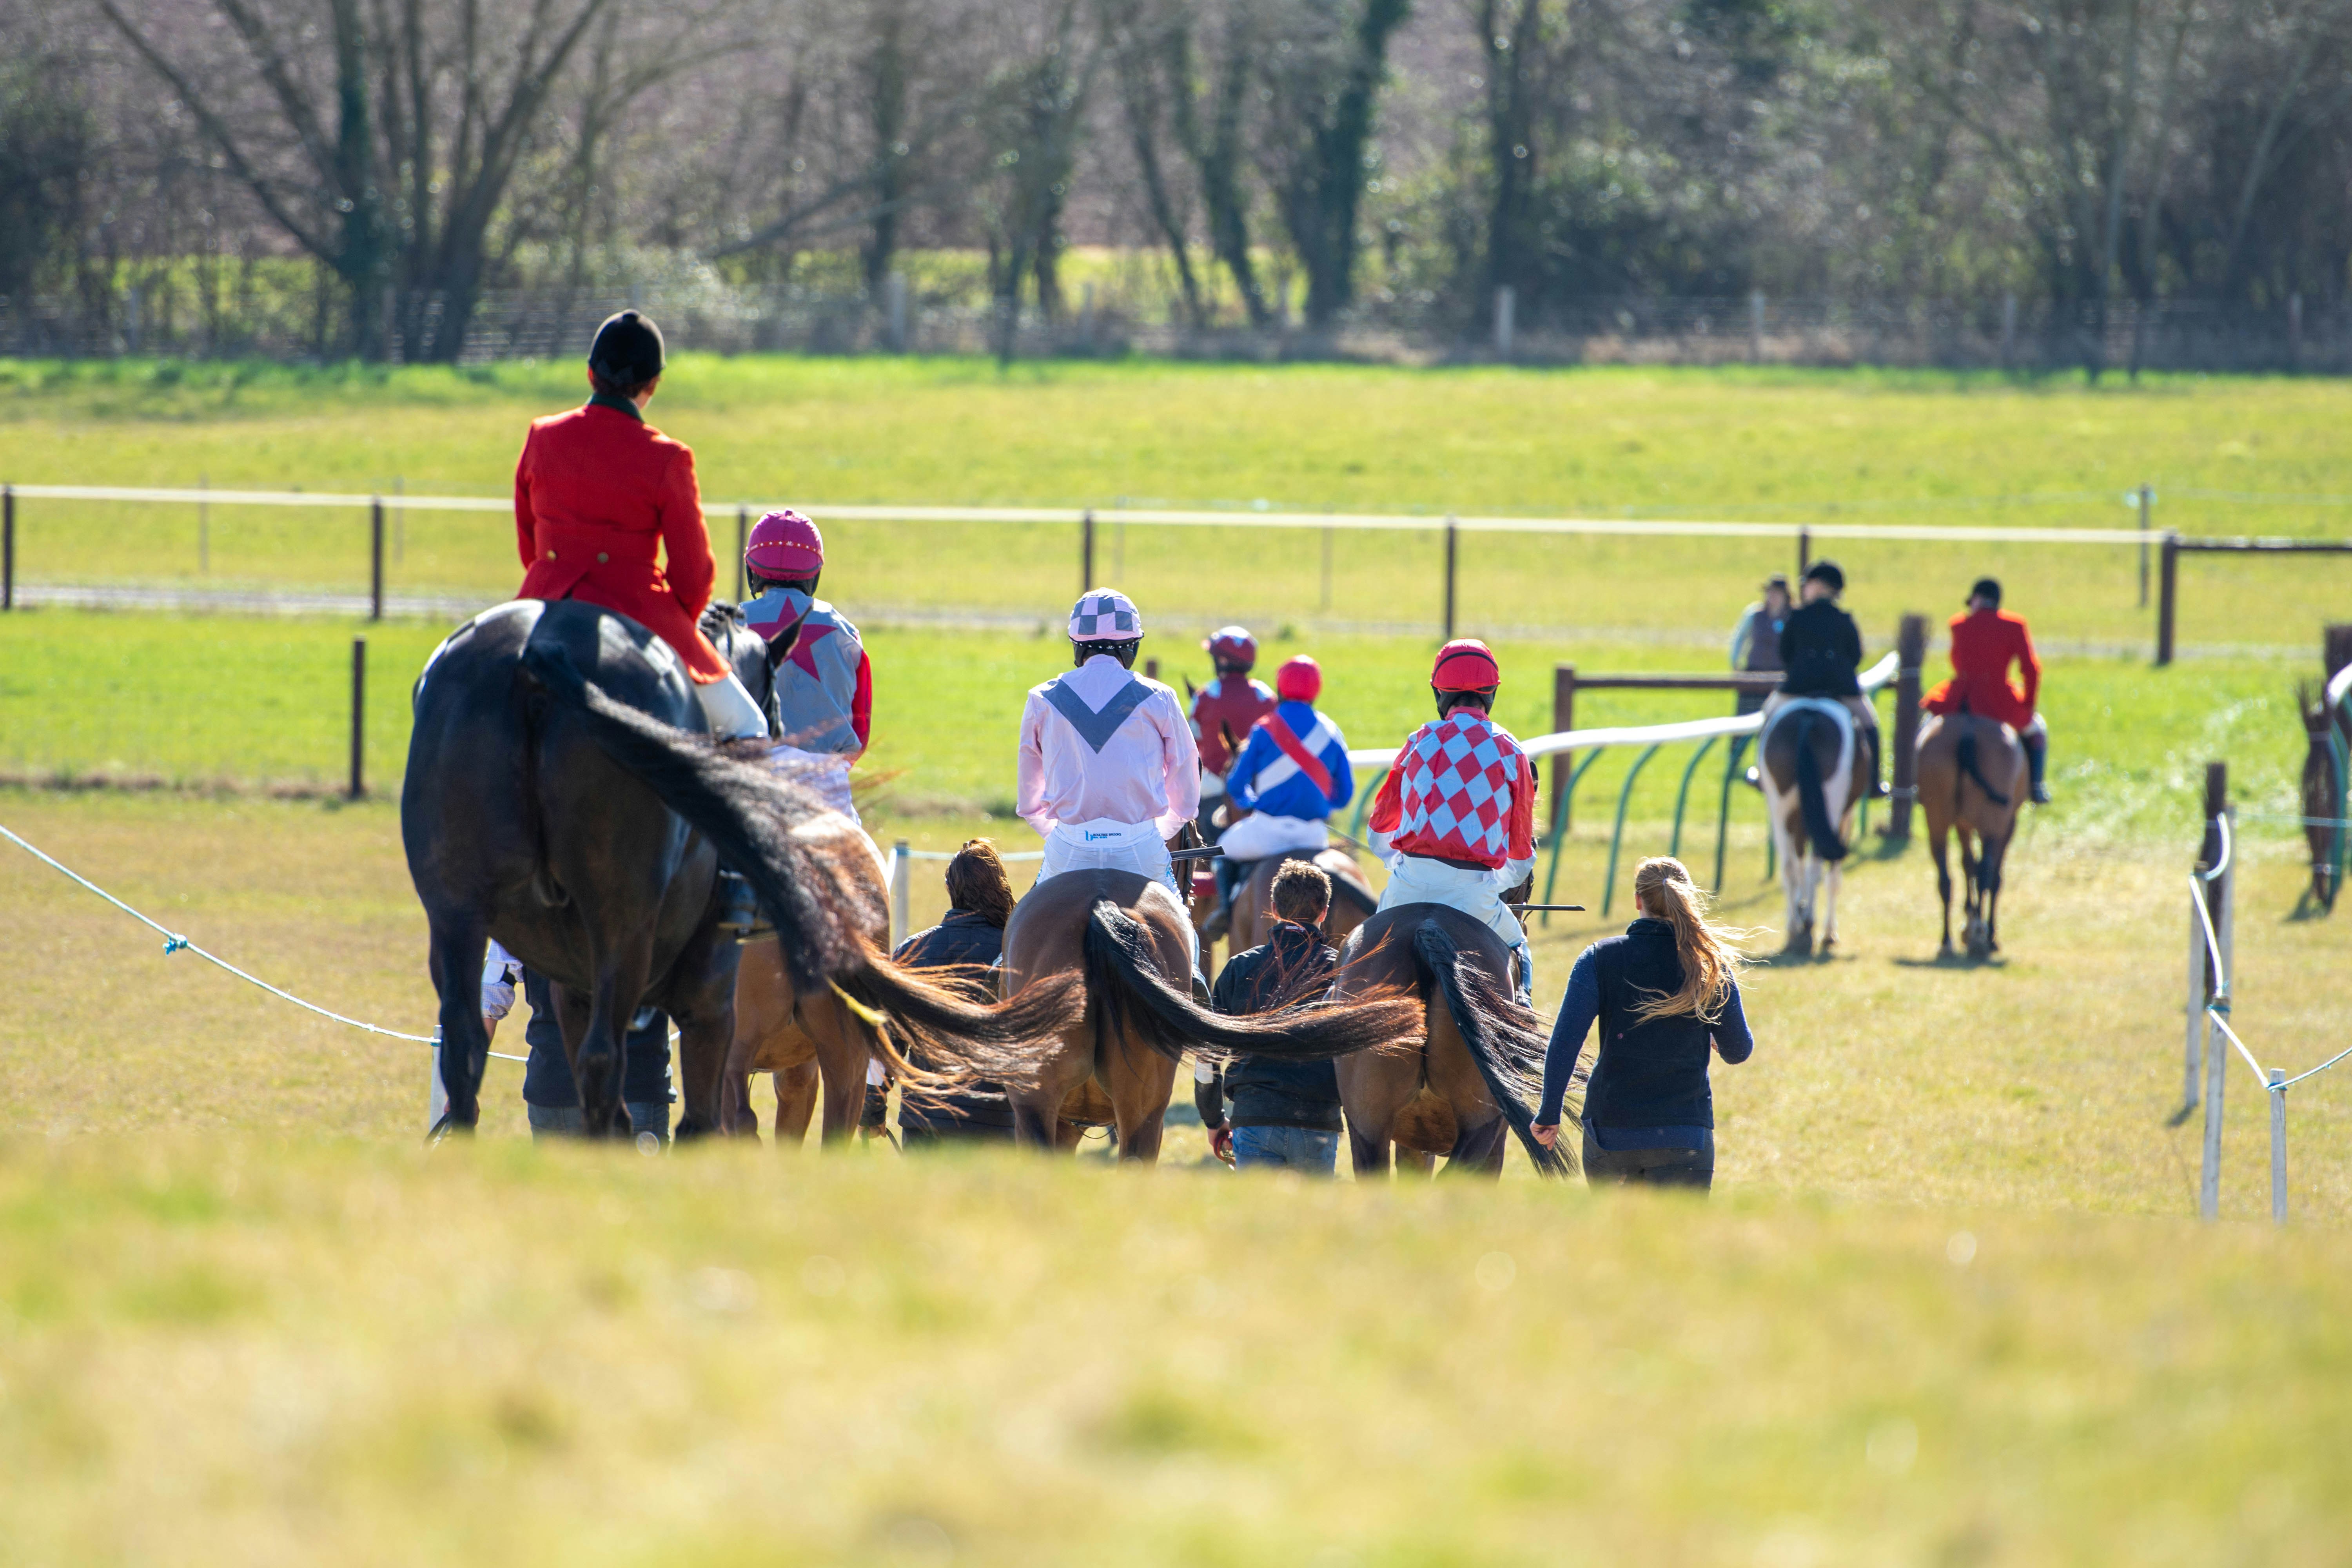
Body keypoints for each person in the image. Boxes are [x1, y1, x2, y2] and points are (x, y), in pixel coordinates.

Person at [512, 309, 773, 934]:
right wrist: (670, 627)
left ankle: (501, 946)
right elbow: (695, 572)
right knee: (749, 728)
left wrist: (555, 589)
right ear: (652, 384)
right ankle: (738, 887)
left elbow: (528, 536)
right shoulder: (666, 456)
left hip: (547, 604)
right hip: (639, 609)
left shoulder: (542, 436)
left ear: (590, 374)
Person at [1530, 857, 1754, 1191]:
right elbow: (1738, 1050)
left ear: (1638, 901)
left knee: (1615, 1242)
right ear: (1687, 900)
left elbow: (1565, 1041)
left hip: (1610, 1134)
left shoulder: (1599, 957)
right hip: (1685, 1136)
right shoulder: (1710, 963)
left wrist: (1549, 1113)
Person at [1017, 588, 1205, 978]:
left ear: (1077, 646)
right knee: (1185, 936)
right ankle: (1199, 989)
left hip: (1069, 847)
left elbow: (1029, 802)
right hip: (1140, 845)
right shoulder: (1162, 697)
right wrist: (1156, 832)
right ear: (1131, 648)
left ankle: (1001, 976)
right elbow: (1186, 798)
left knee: (1019, 938)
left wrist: (1063, 833)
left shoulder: (1041, 698)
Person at [1366, 639, 1539, 1004]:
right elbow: (1521, 856)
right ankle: (1521, 1023)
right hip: (1474, 895)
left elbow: (1380, 829)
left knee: (1360, 960)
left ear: (1438, 692)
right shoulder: (1513, 751)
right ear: (1491, 694)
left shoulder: (1418, 740)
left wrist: (1399, 864)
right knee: (1519, 947)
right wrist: (1494, 882)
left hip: (1407, 887)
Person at [1194, 862, 1345, 1174]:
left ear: (1274, 909)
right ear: (1325, 912)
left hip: (1253, 1119)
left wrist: (1213, 1118)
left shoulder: (1238, 968)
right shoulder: (1342, 973)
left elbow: (1207, 1057)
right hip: (1319, 1121)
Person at [1201, 655, 1354, 942]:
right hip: (1313, 835)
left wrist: (1252, 805)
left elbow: (1236, 785)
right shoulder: (1332, 731)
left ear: (1280, 688)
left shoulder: (1264, 728)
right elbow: (1344, 796)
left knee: (1224, 848)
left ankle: (1224, 911)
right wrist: (1318, 806)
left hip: (1267, 830)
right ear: (1317, 690)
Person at [740, 508, 873, 820]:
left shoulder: (731, 626)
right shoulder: (846, 630)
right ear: (815, 573)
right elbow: (861, 727)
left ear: (753, 570)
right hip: (826, 790)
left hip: (749, 785)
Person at [886, 840, 1020, 1146]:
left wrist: (872, 1104)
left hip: (924, 1120)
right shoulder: (1018, 952)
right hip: (999, 1122)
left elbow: (889, 1041)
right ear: (1001, 888)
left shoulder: (911, 951)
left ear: (950, 888)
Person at [481, 941, 674, 1141]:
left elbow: (490, 996)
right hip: (636, 1084)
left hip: (556, 1086)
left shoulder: (523, 909)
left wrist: (465, 1087)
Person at [1758, 559, 1887, 799]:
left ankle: (1761, 773)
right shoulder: (1845, 619)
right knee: (1870, 724)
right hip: (1840, 688)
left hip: (1798, 687)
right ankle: (1874, 782)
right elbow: (1856, 656)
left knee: (1767, 716)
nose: (1804, 589)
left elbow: (1785, 654)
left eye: (1807, 584)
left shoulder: (1797, 618)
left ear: (1819, 586)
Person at [1923, 577, 2050, 805]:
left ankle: (1916, 783)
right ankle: (2036, 787)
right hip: (2000, 701)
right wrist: (2028, 704)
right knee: (2037, 729)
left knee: (1926, 727)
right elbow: (2031, 669)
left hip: (1962, 697)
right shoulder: (2015, 625)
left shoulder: (1958, 625)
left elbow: (1957, 662)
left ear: (1978, 599)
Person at [1192, 626, 1279, 933]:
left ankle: (1216, 897)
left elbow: (1194, 743)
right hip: (1264, 793)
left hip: (1216, 787)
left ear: (1221, 662)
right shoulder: (1267, 696)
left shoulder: (1206, 695)